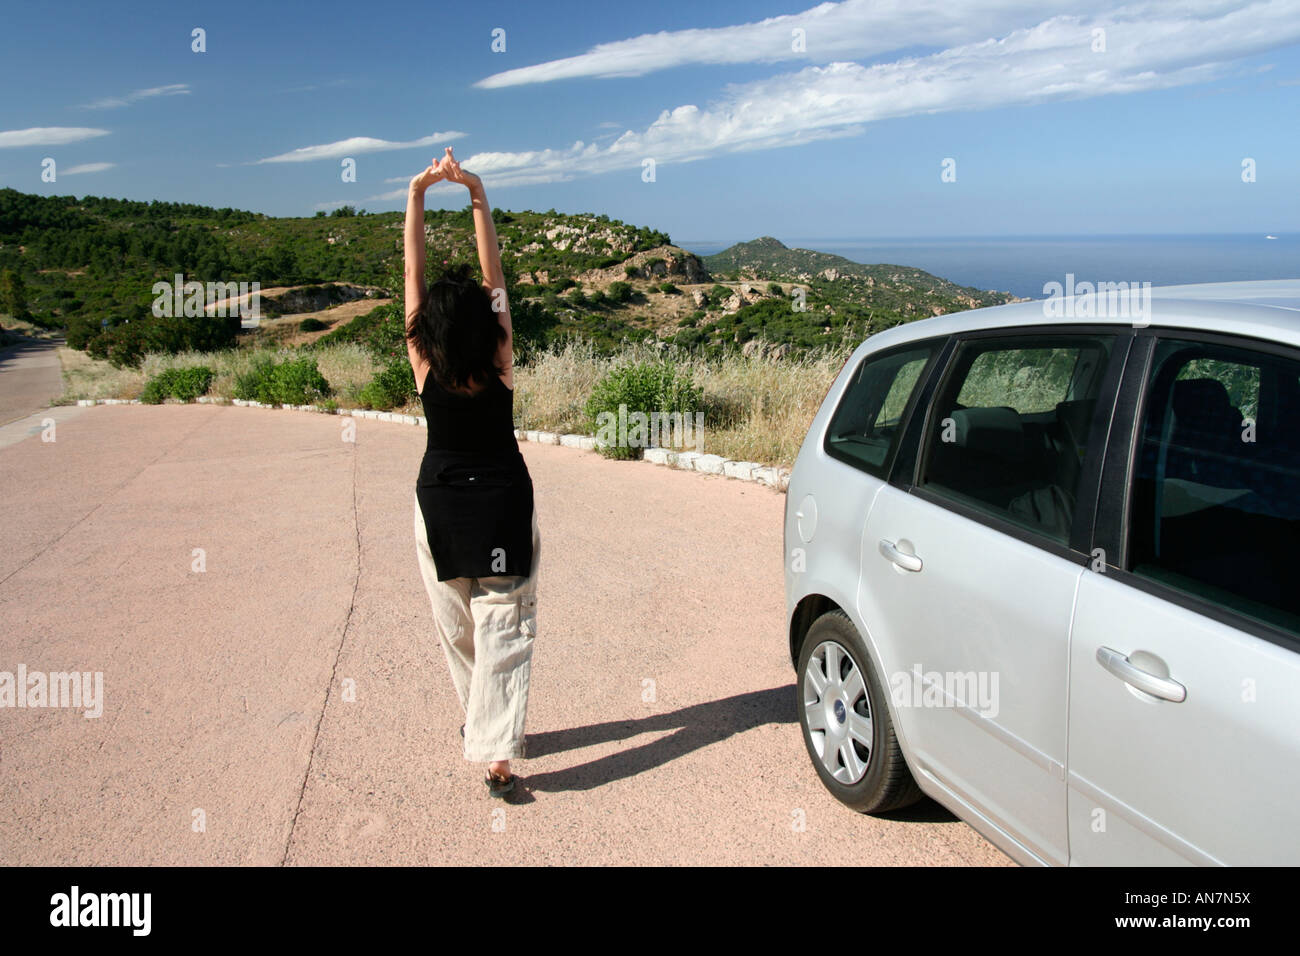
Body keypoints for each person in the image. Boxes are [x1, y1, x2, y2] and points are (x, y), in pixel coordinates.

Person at [405, 146, 540, 798]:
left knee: (466, 630)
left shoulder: (424, 362)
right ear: (483, 324)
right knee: (498, 629)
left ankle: (488, 738)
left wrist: (418, 194)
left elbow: (415, 271)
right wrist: (476, 192)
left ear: (430, 326)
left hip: (444, 506)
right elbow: (495, 278)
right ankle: (491, 739)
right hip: (501, 504)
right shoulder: (502, 354)